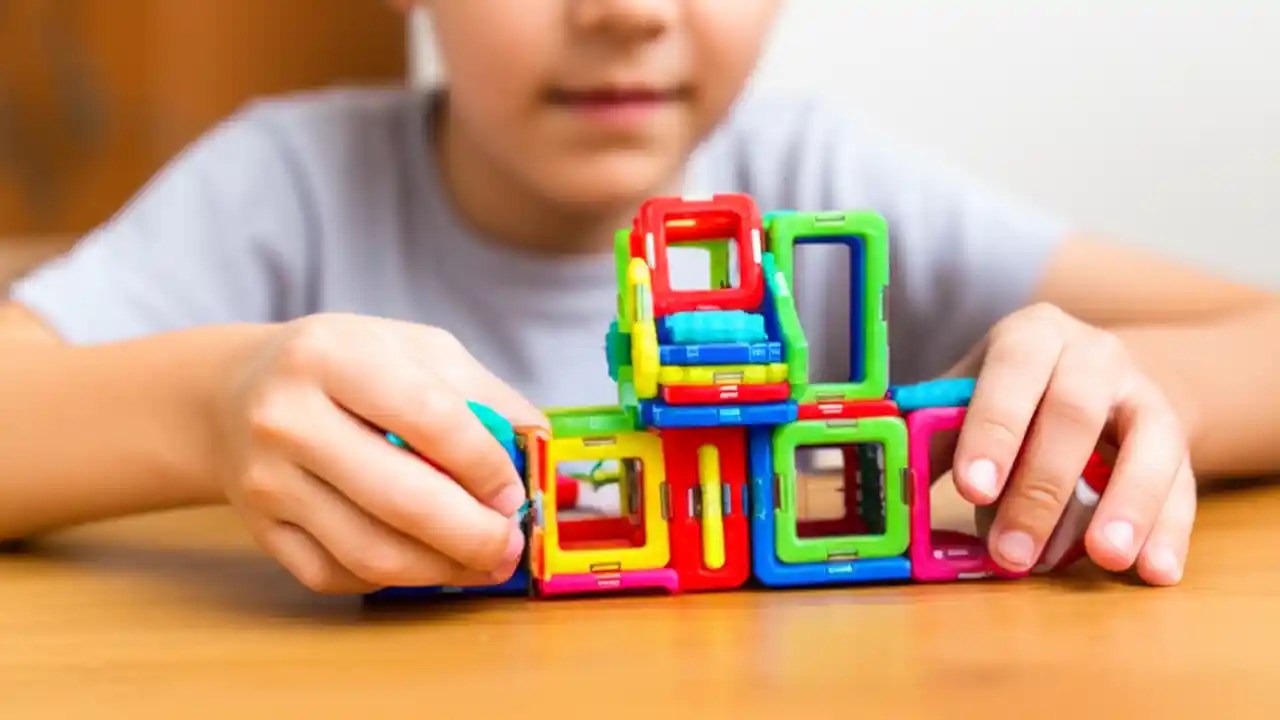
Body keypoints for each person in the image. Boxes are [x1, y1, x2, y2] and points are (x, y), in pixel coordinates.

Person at [0, 0, 1276, 594]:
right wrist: (207, 405)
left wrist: (1143, 391)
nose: (623, 13)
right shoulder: (282, 184)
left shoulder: (823, 179)